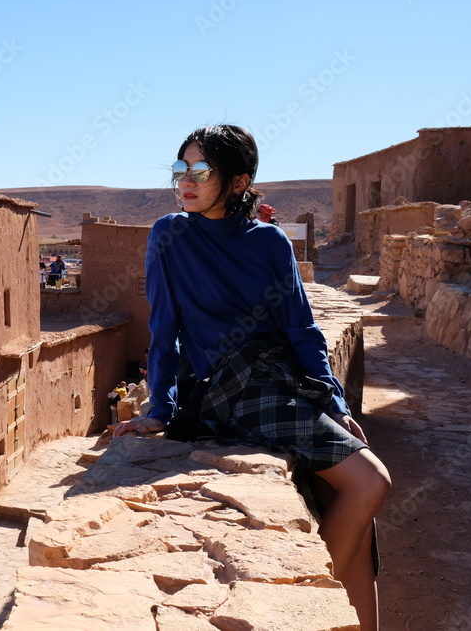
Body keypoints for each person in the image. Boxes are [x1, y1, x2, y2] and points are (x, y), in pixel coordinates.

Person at [114, 125, 390, 630]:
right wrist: (159, 409)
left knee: (353, 511)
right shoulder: (169, 235)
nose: (186, 181)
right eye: (181, 170)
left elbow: (302, 329)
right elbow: (163, 328)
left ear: (239, 182)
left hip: (279, 383)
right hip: (226, 389)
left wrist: (337, 406)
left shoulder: (268, 242)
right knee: (370, 481)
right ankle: (303, 608)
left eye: (201, 171)